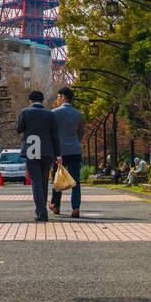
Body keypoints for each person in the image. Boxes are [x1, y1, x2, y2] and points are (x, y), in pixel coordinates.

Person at [16, 90, 61, 222]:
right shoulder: (50, 114)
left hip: (32, 150)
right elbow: (55, 136)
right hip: (47, 152)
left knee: (35, 181)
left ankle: (41, 212)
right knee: (43, 181)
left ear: (30, 101)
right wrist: (58, 154)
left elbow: (19, 129)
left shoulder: (25, 112)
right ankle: (41, 210)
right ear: (42, 101)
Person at [50, 86, 85, 217]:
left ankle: (56, 206)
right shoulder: (78, 114)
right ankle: (75, 208)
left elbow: (51, 133)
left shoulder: (53, 113)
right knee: (75, 181)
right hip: (75, 150)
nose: (57, 100)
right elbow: (81, 133)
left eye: (58, 97)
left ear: (63, 97)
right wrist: (75, 142)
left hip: (59, 152)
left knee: (57, 179)